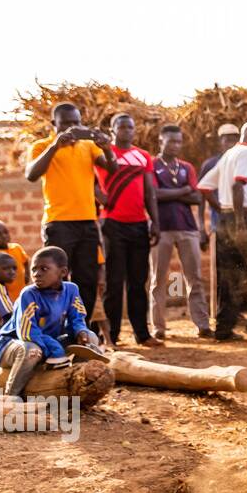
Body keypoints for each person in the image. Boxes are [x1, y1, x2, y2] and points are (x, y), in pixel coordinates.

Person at [24, 102, 116, 325]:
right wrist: (56, 146)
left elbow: (113, 169)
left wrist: (106, 147)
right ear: (54, 124)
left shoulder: (88, 146)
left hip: (87, 222)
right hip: (58, 223)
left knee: (87, 280)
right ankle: (54, 326)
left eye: (76, 122)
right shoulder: (42, 145)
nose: (72, 128)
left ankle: (79, 328)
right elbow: (31, 174)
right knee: (55, 278)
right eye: (66, 123)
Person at [0, 246, 102, 400]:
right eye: (34, 269)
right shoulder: (29, 294)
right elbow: (26, 333)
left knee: (90, 338)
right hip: (14, 345)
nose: (37, 274)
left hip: (47, 342)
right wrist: (54, 348)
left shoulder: (71, 290)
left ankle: (77, 387)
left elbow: (77, 317)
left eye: (44, 269)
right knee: (32, 350)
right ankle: (11, 397)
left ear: (63, 272)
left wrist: (80, 332)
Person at [199, 122, 247, 340]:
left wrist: (222, 209)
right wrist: (240, 222)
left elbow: (204, 186)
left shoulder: (230, 153)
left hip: (225, 220)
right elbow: (238, 186)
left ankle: (224, 328)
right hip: (241, 219)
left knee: (229, 275)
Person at [95, 113, 160, 346]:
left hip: (139, 225)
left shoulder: (143, 156)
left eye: (130, 127)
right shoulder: (102, 153)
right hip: (111, 224)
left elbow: (150, 192)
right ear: (112, 130)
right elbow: (87, 178)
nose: (127, 131)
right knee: (114, 281)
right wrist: (96, 193)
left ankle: (142, 334)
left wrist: (155, 222)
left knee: (138, 281)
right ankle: (110, 336)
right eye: (122, 127)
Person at [149, 124, 213, 340]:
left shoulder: (186, 167)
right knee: (158, 278)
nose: (176, 145)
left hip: (187, 227)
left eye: (179, 141)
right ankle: (158, 326)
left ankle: (202, 324)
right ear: (161, 141)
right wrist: (183, 190)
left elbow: (196, 197)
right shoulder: (152, 165)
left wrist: (173, 193)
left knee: (194, 277)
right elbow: (154, 194)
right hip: (162, 229)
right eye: (171, 141)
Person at [199, 123, 241, 233]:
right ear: (220, 141)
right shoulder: (210, 164)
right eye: (227, 140)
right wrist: (202, 228)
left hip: (241, 222)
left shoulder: (244, 162)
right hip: (219, 222)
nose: (231, 144)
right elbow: (201, 197)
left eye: (234, 140)